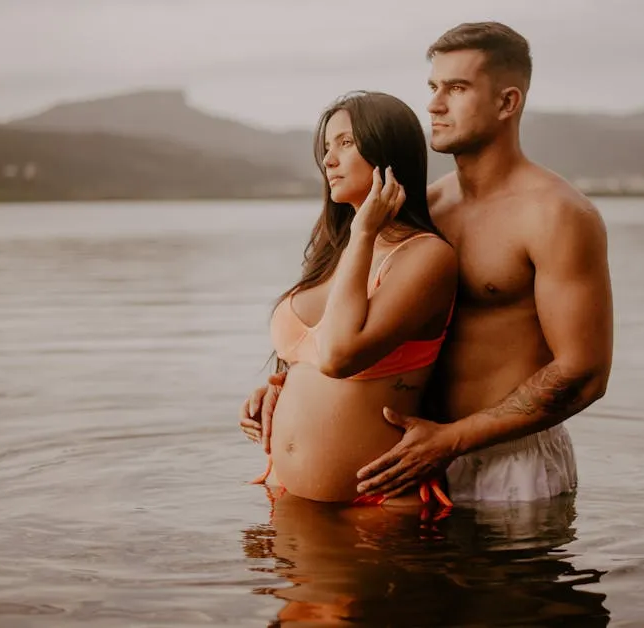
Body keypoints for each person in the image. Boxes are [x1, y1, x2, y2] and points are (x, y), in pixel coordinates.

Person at [242, 22, 613, 503]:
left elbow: (585, 372)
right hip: (411, 458)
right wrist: (288, 388)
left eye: (457, 88)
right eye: (433, 87)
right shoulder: (425, 209)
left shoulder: (557, 215)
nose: (435, 104)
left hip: (505, 463)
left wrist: (454, 438)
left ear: (507, 102)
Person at [242, 90, 458, 509]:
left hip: (375, 503)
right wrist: (273, 393)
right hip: (287, 496)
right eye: (326, 148)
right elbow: (311, 360)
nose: (328, 161)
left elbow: (340, 356)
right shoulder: (335, 251)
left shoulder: (426, 256)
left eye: (345, 143)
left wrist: (363, 232)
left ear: (388, 152)